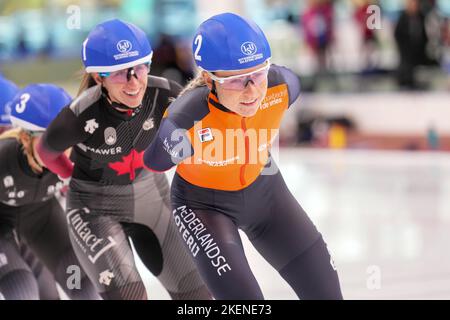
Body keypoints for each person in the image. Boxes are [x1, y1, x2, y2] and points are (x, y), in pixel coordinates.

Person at [143, 12, 343, 300]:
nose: (251, 91)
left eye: (258, 74)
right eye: (236, 81)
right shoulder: (186, 117)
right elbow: (154, 162)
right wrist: (175, 137)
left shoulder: (282, 86)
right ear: (209, 80)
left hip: (266, 192)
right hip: (203, 207)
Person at [37, 19, 210, 300]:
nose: (134, 81)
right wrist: (68, 173)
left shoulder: (165, 93)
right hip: (94, 211)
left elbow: (204, 133)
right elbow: (46, 152)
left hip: (152, 199)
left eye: (141, 66)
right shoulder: (80, 115)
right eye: (119, 73)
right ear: (98, 77)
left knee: (198, 297)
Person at [0, 83, 99, 300]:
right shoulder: (3, 158)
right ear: (25, 138)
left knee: (80, 283)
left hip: (40, 218)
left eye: (66, 136)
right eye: (51, 139)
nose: (61, 146)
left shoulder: (79, 153)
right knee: (21, 289)